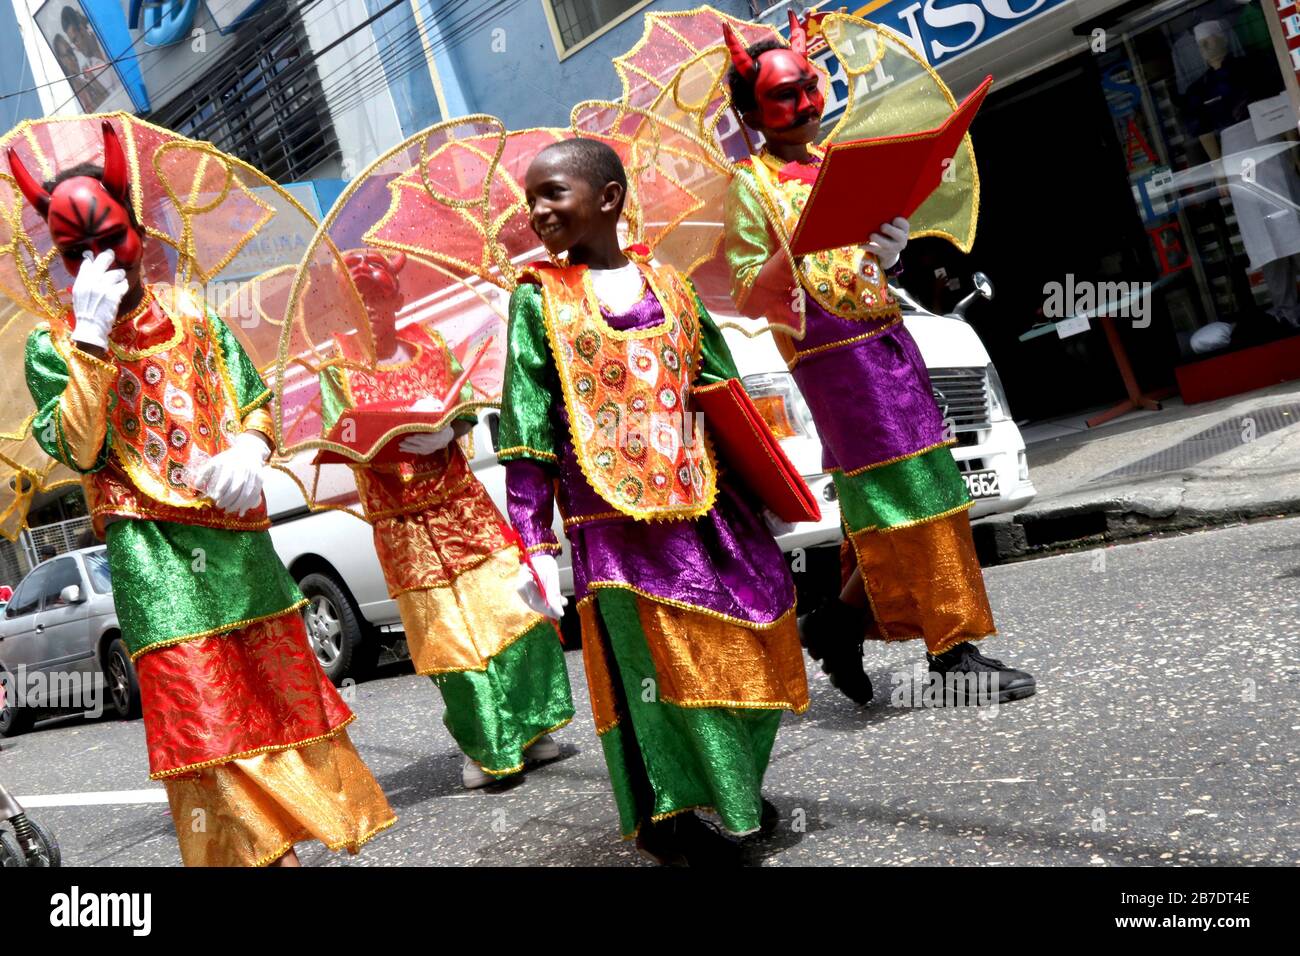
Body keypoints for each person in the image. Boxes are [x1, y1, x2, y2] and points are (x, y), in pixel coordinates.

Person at [11, 121, 395, 866]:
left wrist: (252, 447)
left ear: (136, 227)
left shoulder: (192, 314)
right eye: (75, 251)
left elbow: (253, 400)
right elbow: (78, 445)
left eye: (109, 238)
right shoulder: (52, 346)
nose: (97, 259)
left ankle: (287, 836)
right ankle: (262, 856)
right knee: (203, 714)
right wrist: (89, 339)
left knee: (272, 694)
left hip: (236, 540)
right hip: (152, 555)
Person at [499, 138, 808, 865]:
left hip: (710, 509)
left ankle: (729, 781)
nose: (537, 211)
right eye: (532, 199)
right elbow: (528, 432)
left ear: (607, 198)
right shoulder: (536, 300)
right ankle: (674, 814)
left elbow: (721, 395)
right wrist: (533, 543)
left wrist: (769, 492)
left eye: (553, 193)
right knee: (664, 672)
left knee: (757, 642)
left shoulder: (673, 286)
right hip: (615, 527)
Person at [721, 15, 1035, 706]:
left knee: (892, 502)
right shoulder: (752, 185)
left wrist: (890, 250)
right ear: (750, 113)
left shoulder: (840, 160)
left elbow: (868, 253)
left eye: (810, 86)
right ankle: (953, 653)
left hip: (890, 343)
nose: (805, 104)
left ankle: (835, 623)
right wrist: (793, 250)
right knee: (921, 496)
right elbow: (746, 288)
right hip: (835, 364)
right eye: (784, 96)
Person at [318, 249, 574, 789]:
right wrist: (385, 441)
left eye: (380, 297)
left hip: (463, 506)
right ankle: (488, 748)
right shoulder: (336, 370)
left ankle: (531, 728)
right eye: (359, 302)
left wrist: (448, 427)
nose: (373, 311)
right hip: (404, 527)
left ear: (397, 299)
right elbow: (339, 441)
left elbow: (463, 406)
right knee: (450, 641)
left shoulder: (429, 346)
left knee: (516, 613)